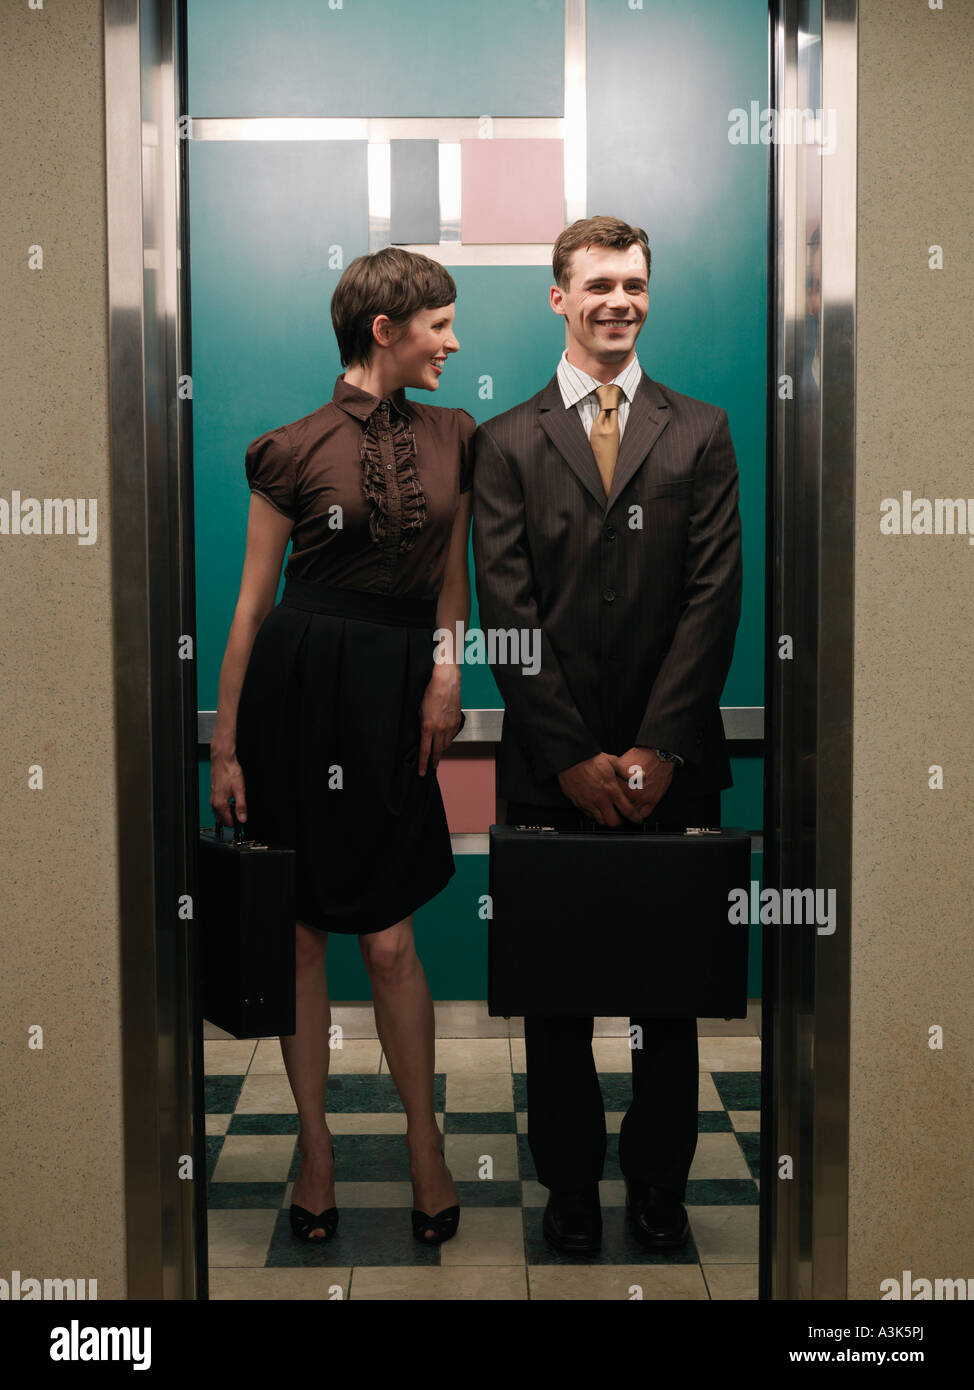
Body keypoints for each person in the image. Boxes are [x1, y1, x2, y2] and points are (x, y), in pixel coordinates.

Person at [471, 214, 742, 1254]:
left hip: (672, 765)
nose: (616, 301)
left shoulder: (700, 429)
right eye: (595, 286)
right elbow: (506, 608)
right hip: (552, 770)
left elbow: (712, 596)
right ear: (558, 297)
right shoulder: (505, 442)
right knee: (558, 1002)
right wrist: (572, 754)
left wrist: (656, 748)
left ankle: (659, 1186)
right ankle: (572, 1189)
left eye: (631, 283)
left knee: (666, 999)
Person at [209, 247, 475, 1246]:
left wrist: (447, 671)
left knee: (392, 936)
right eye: (438, 324)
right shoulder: (288, 447)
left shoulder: (459, 435)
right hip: (298, 688)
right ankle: (315, 1148)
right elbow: (250, 603)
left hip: (399, 691)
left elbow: (453, 580)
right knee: (302, 934)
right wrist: (225, 745)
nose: (452, 341)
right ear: (384, 330)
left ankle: (424, 1144)